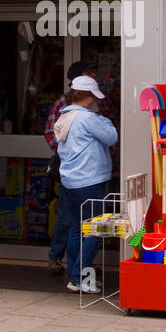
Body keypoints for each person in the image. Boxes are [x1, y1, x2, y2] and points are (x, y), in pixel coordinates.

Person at [53, 76, 118, 293]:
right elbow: (111, 137)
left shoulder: (65, 116)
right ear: (88, 97)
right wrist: (105, 120)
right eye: (94, 97)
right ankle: (79, 278)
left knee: (76, 230)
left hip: (70, 181)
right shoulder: (87, 118)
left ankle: (76, 276)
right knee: (95, 230)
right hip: (90, 181)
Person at [44, 61, 89, 275]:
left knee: (90, 219)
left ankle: (83, 262)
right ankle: (56, 256)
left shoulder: (97, 101)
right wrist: (70, 149)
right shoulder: (62, 103)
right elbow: (50, 133)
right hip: (70, 168)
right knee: (66, 217)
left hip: (93, 169)